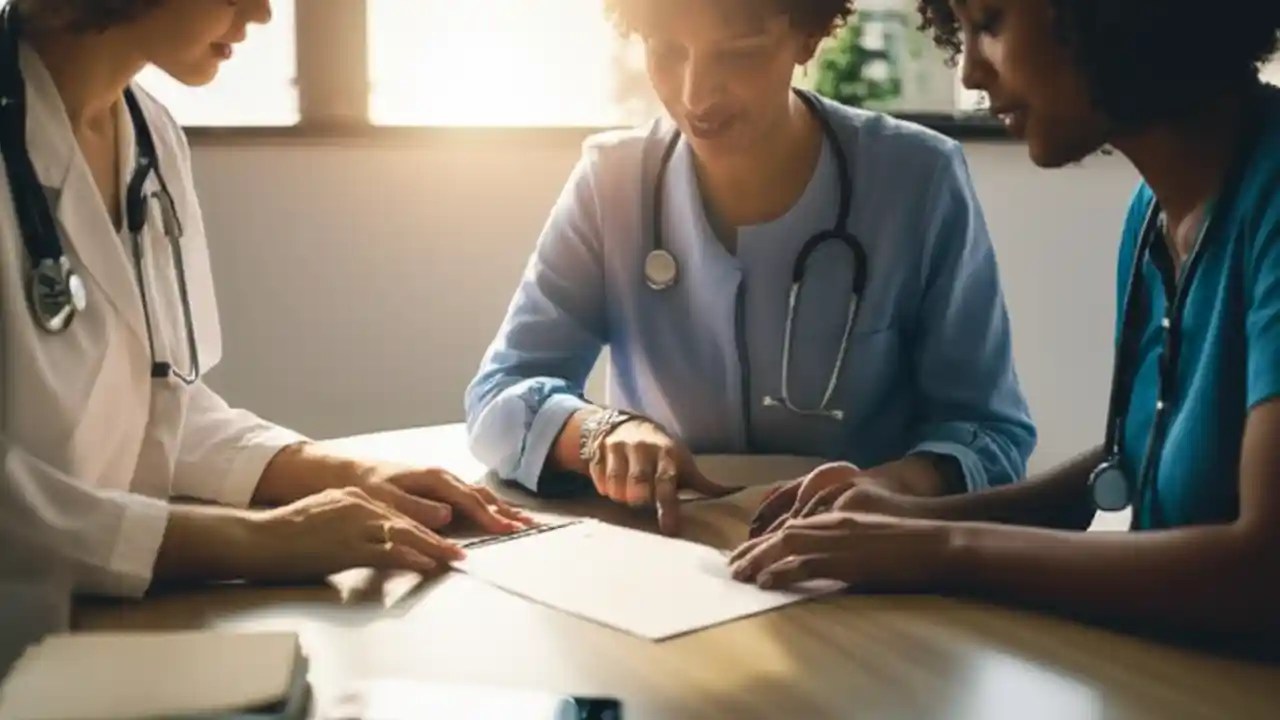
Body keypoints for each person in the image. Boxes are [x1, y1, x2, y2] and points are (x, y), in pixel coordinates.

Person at [732, 0, 1280, 646]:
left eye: (990, 23)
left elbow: (1260, 573)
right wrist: (909, 518)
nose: (969, 72)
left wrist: (940, 548)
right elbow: (1127, 463)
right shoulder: (1153, 213)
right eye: (960, 31)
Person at [0, 0, 533, 638]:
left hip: (105, 627)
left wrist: (345, 472)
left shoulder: (149, 135)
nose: (261, 14)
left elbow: (156, 404)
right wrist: (258, 540)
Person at [465, 0, 1036, 536]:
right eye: (667, 50)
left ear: (809, 34)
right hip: (664, 549)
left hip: (859, 555)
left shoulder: (917, 178)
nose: (696, 93)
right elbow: (499, 392)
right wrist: (598, 432)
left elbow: (992, 433)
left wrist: (895, 487)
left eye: (738, 53)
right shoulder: (610, 181)